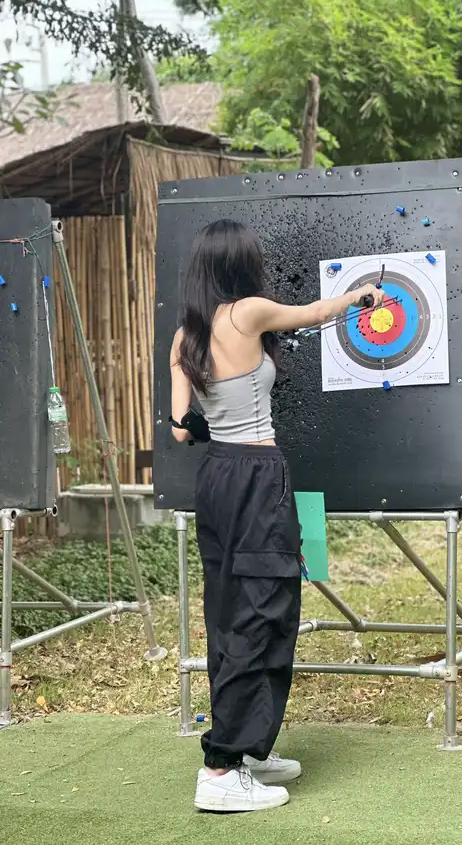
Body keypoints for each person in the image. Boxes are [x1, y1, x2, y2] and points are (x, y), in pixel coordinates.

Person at [170, 219, 385, 813]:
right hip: (257, 477)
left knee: (230, 610)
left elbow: (181, 428)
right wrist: (361, 296)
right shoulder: (248, 312)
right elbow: (315, 312)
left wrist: (206, 419)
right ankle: (220, 769)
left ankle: (247, 747)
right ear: (240, 265)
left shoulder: (185, 337)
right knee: (261, 610)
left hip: (216, 478)